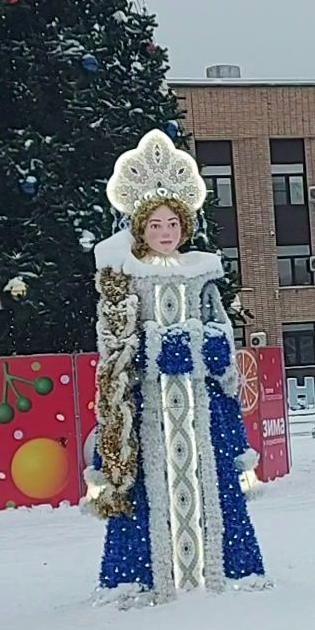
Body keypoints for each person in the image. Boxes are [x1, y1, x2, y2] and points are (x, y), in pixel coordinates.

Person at [85, 130, 267, 605]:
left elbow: (221, 332)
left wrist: (202, 347)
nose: (165, 233)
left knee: (217, 489)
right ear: (140, 229)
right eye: (155, 225)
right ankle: (142, 579)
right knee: (147, 495)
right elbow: (115, 346)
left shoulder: (202, 272)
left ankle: (225, 572)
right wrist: (151, 350)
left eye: (172, 224)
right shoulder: (123, 275)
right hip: (149, 412)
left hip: (201, 410)